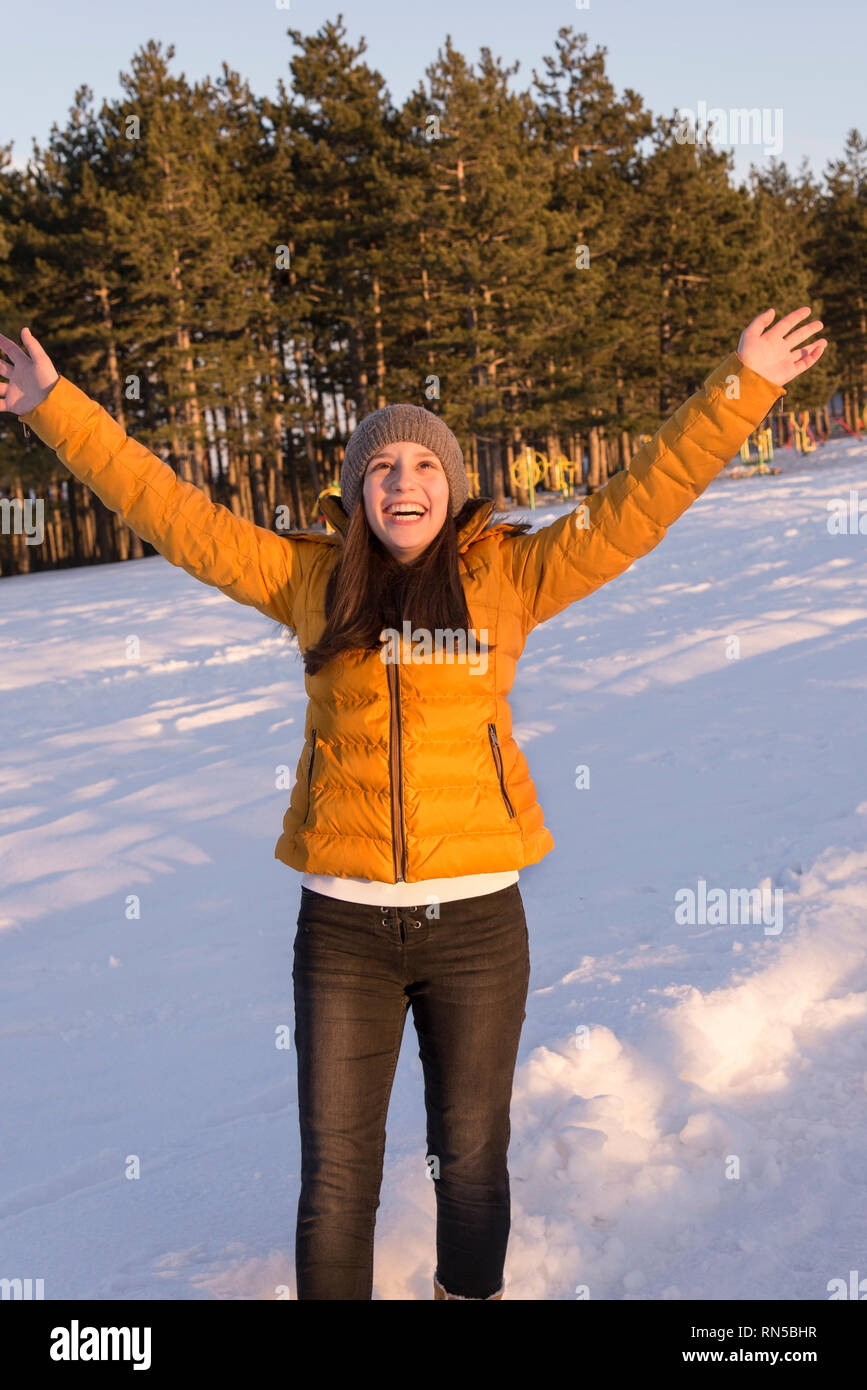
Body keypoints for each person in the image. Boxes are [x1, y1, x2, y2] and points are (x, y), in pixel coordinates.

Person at [0, 310, 827, 1300]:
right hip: (342, 926)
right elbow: (169, 509)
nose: (404, 482)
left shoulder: (511, 577)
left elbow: (638, 505)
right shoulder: (309, 582)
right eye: (383, 468)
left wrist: (739, 388)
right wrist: (56, 408)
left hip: (478, 923)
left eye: (424, 467)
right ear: (356, 494)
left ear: (453, 487)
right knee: (336, 1177)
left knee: (471, 1162)